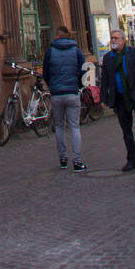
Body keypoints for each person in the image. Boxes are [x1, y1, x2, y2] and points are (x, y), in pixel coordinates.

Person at [100, 28, 135, 171]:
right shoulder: (108, 58)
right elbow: (105, 79)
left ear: (123, 40)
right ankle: (132, 159)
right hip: (120, 98)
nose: (113, 40)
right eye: (112, 38)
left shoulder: (134, 53)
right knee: (126, 130)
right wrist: (103, 98)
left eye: (116, 38)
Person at [42, 25, 87, 171]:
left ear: (57, 36)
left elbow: (46, 73)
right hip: (72, 93)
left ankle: (62, 159)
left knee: (59, 126)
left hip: (56, 94)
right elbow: (83, 70)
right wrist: (78, 85)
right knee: (74, 126)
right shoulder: (76, 51)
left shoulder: (50, 52)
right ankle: (77, 161)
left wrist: (53, 86)